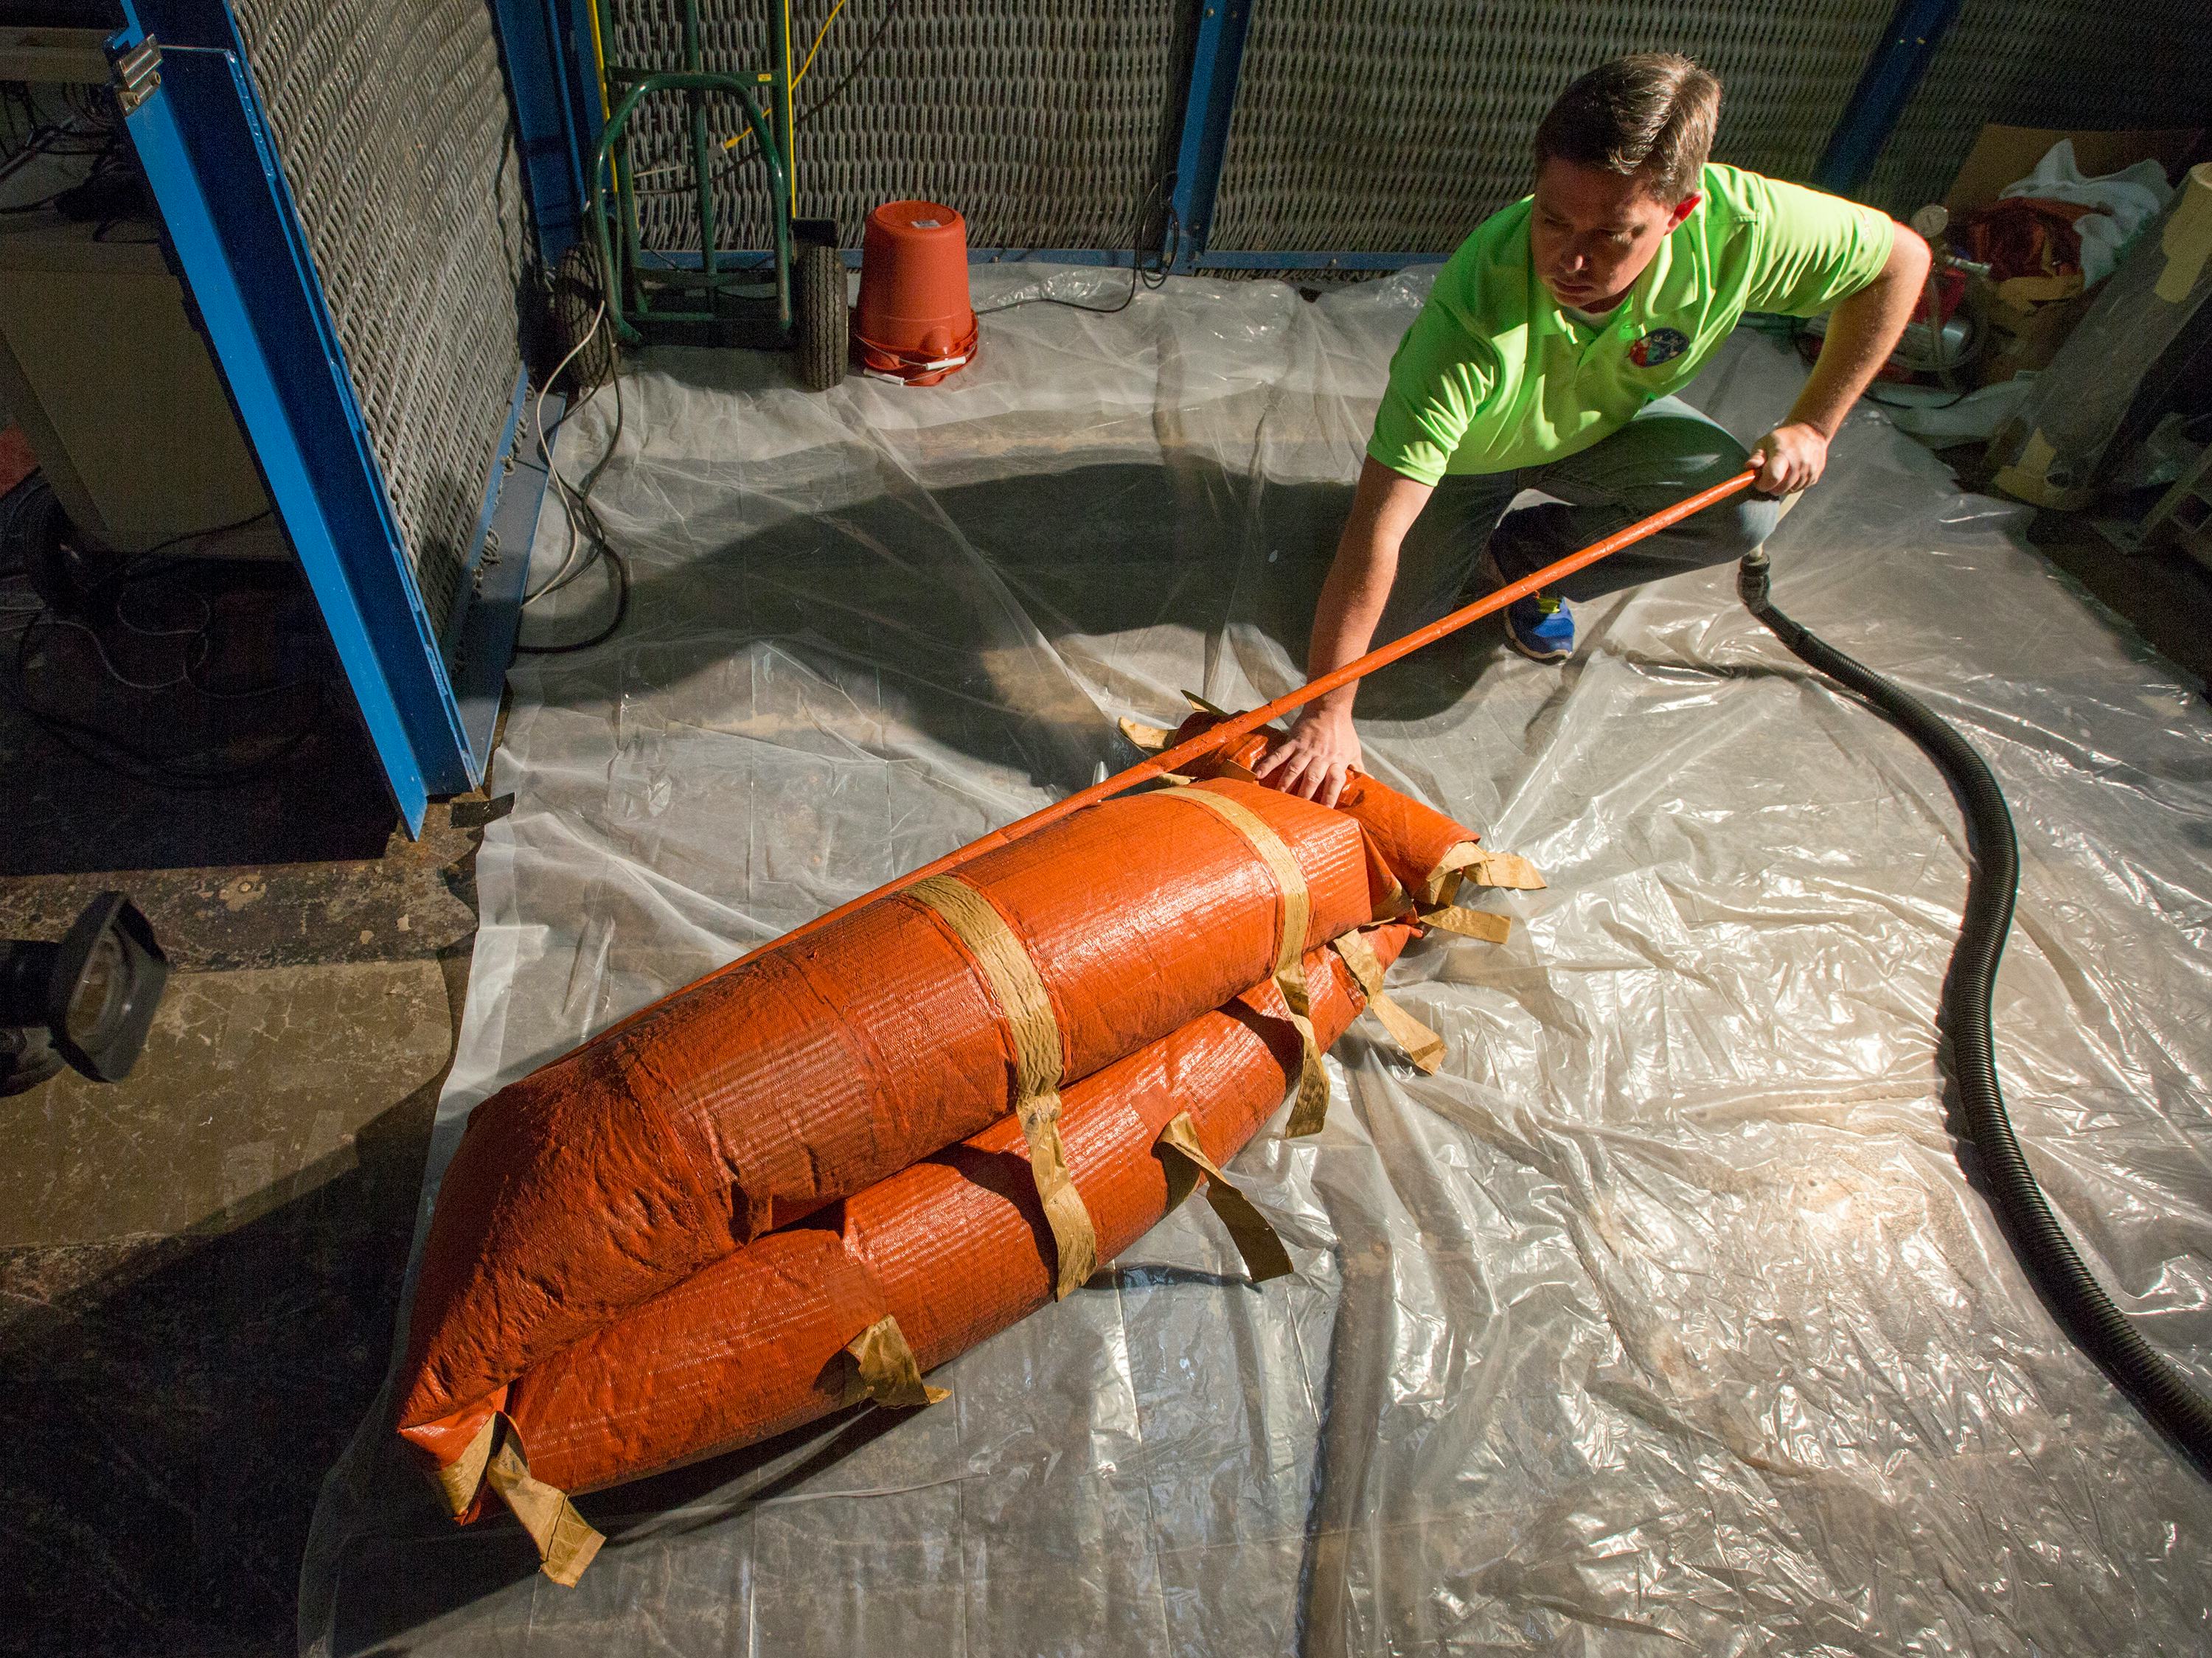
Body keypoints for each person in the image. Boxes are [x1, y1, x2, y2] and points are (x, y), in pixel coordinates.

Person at [1254, 52, 1930, 806]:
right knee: (1385, 652)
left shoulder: (1745, 227)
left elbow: (1901, 260)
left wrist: (1814, 422)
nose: (1569, 259)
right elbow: (1378, 528)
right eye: (1552, 219)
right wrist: (1326, 711)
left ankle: (1533, 558)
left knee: (1741, 508)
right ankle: (1465, 540)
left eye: (1612, 234)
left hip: (1608, 422)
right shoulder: (1477, 312)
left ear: (1681, 213)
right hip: (1471, 459)